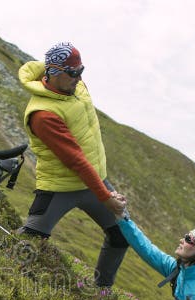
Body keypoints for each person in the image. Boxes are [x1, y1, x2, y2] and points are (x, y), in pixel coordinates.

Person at [17, 42, 128, 287]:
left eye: (81, 71)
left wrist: (103, 189)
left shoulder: (77, 86)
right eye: (72, 73)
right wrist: (105, 197)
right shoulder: (43, 114)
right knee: (30, 240)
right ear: (54, 72)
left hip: (94, 181)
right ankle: (4, 279)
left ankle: (101, 293)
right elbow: (75, 159)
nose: (79, 78)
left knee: (122, 236)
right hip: (59, 187)